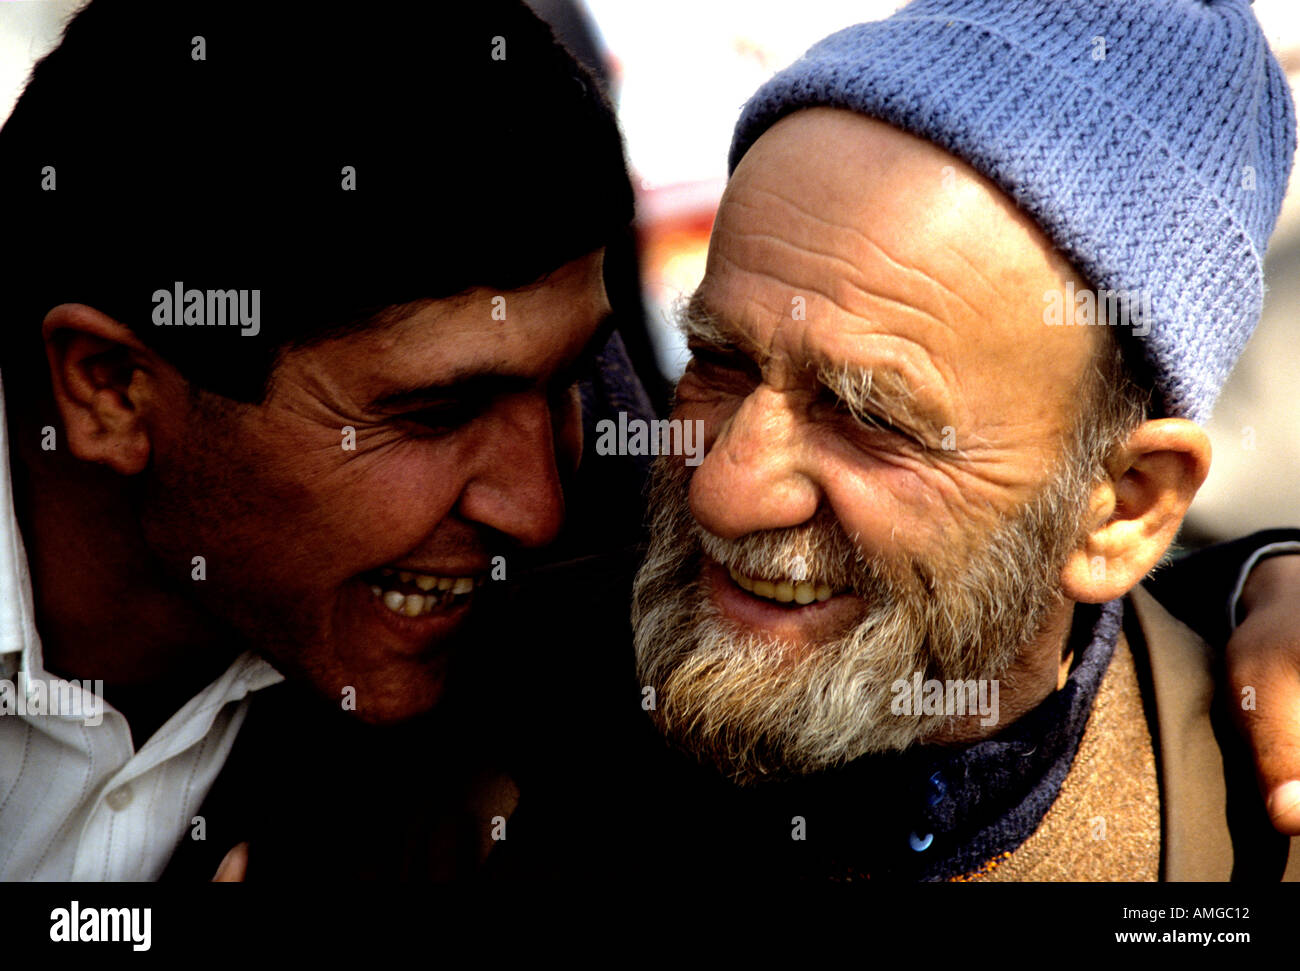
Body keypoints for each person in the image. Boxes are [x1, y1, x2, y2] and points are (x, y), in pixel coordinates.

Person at [530, 0, 1300, 881]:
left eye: (870, 418)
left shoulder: (1238, 849)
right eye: (720, 360)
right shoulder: (475, 732)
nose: (724, 490)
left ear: (1121, 509)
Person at [0, 0, 650, 880]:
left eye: (568, 379)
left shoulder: (619, 592)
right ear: (110, 389)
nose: (536, 510)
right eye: (434, 415)